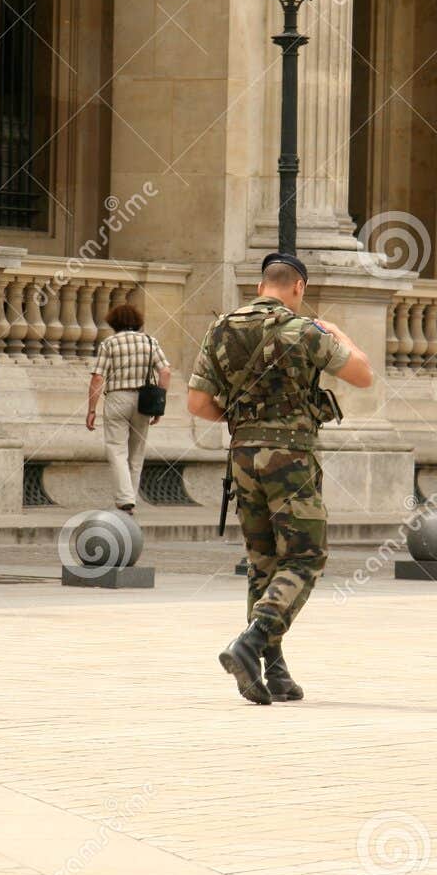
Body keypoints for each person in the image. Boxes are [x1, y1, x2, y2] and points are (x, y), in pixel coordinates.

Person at [187, 252, 374, 705]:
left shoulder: (221, 328)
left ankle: (274, 671)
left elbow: (197, 404)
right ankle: (250, 642)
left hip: (242, 455)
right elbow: (364, 374)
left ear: (260, 287)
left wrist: (246, 423)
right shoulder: (305, 331)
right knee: (306, 557)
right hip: (290, 458)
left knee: (263, 562)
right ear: (298, 288)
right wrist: (337, 332)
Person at [86, 302, 172, 515]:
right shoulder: (150, 342)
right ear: (137, 321)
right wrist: (160, 402)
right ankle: (130, 498)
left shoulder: (109, 343)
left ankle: (125, 499)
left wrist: (91, 409)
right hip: (144, 399)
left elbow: (98, 378)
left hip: (117, 398)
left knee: (116, 450)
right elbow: (165, 372)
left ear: (114, 322)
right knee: (137, 453)